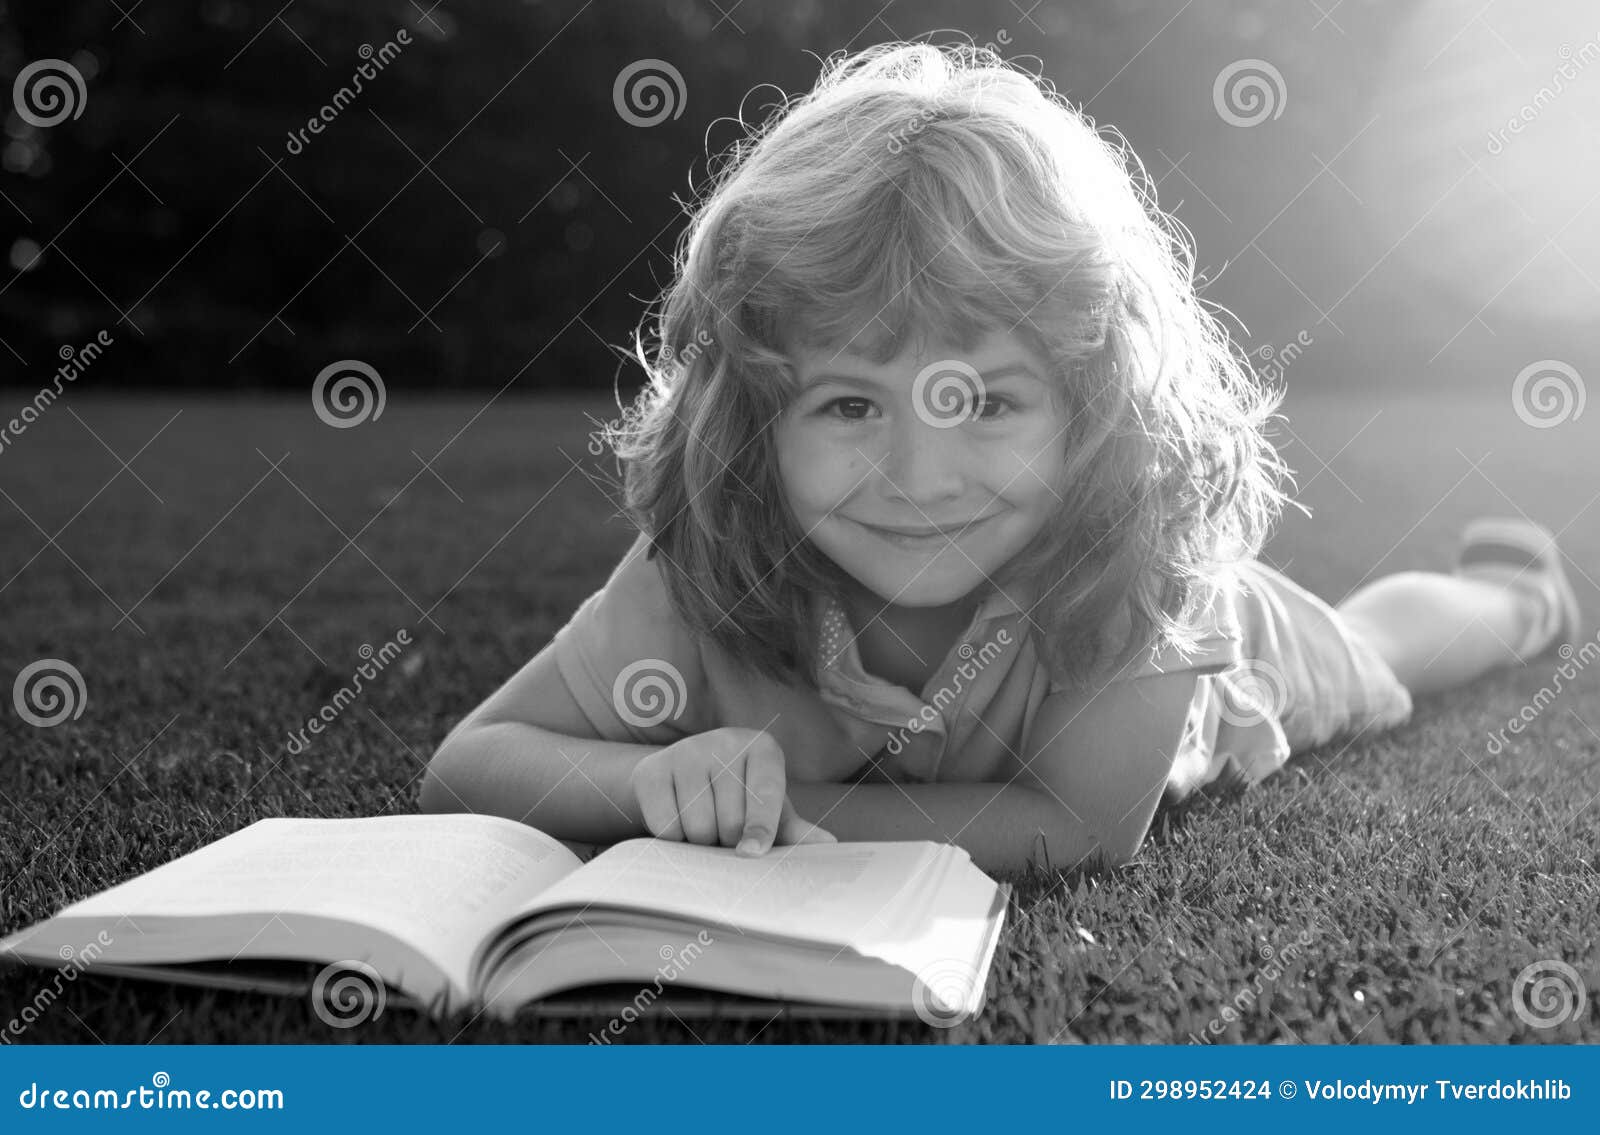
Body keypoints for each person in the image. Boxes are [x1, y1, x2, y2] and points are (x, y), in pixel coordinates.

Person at [419, 43, 1580, 876]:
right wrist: (639, 785)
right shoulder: (717, 563)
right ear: (750, 419)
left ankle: (1516, 598)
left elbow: (1072, 828)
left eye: (984, 401)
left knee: (1377, 652)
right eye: (846, 406)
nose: (920, 479)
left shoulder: (1139, 570)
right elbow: (469, 763)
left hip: (1223, 677)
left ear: (1090, 404)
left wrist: (760, 815)